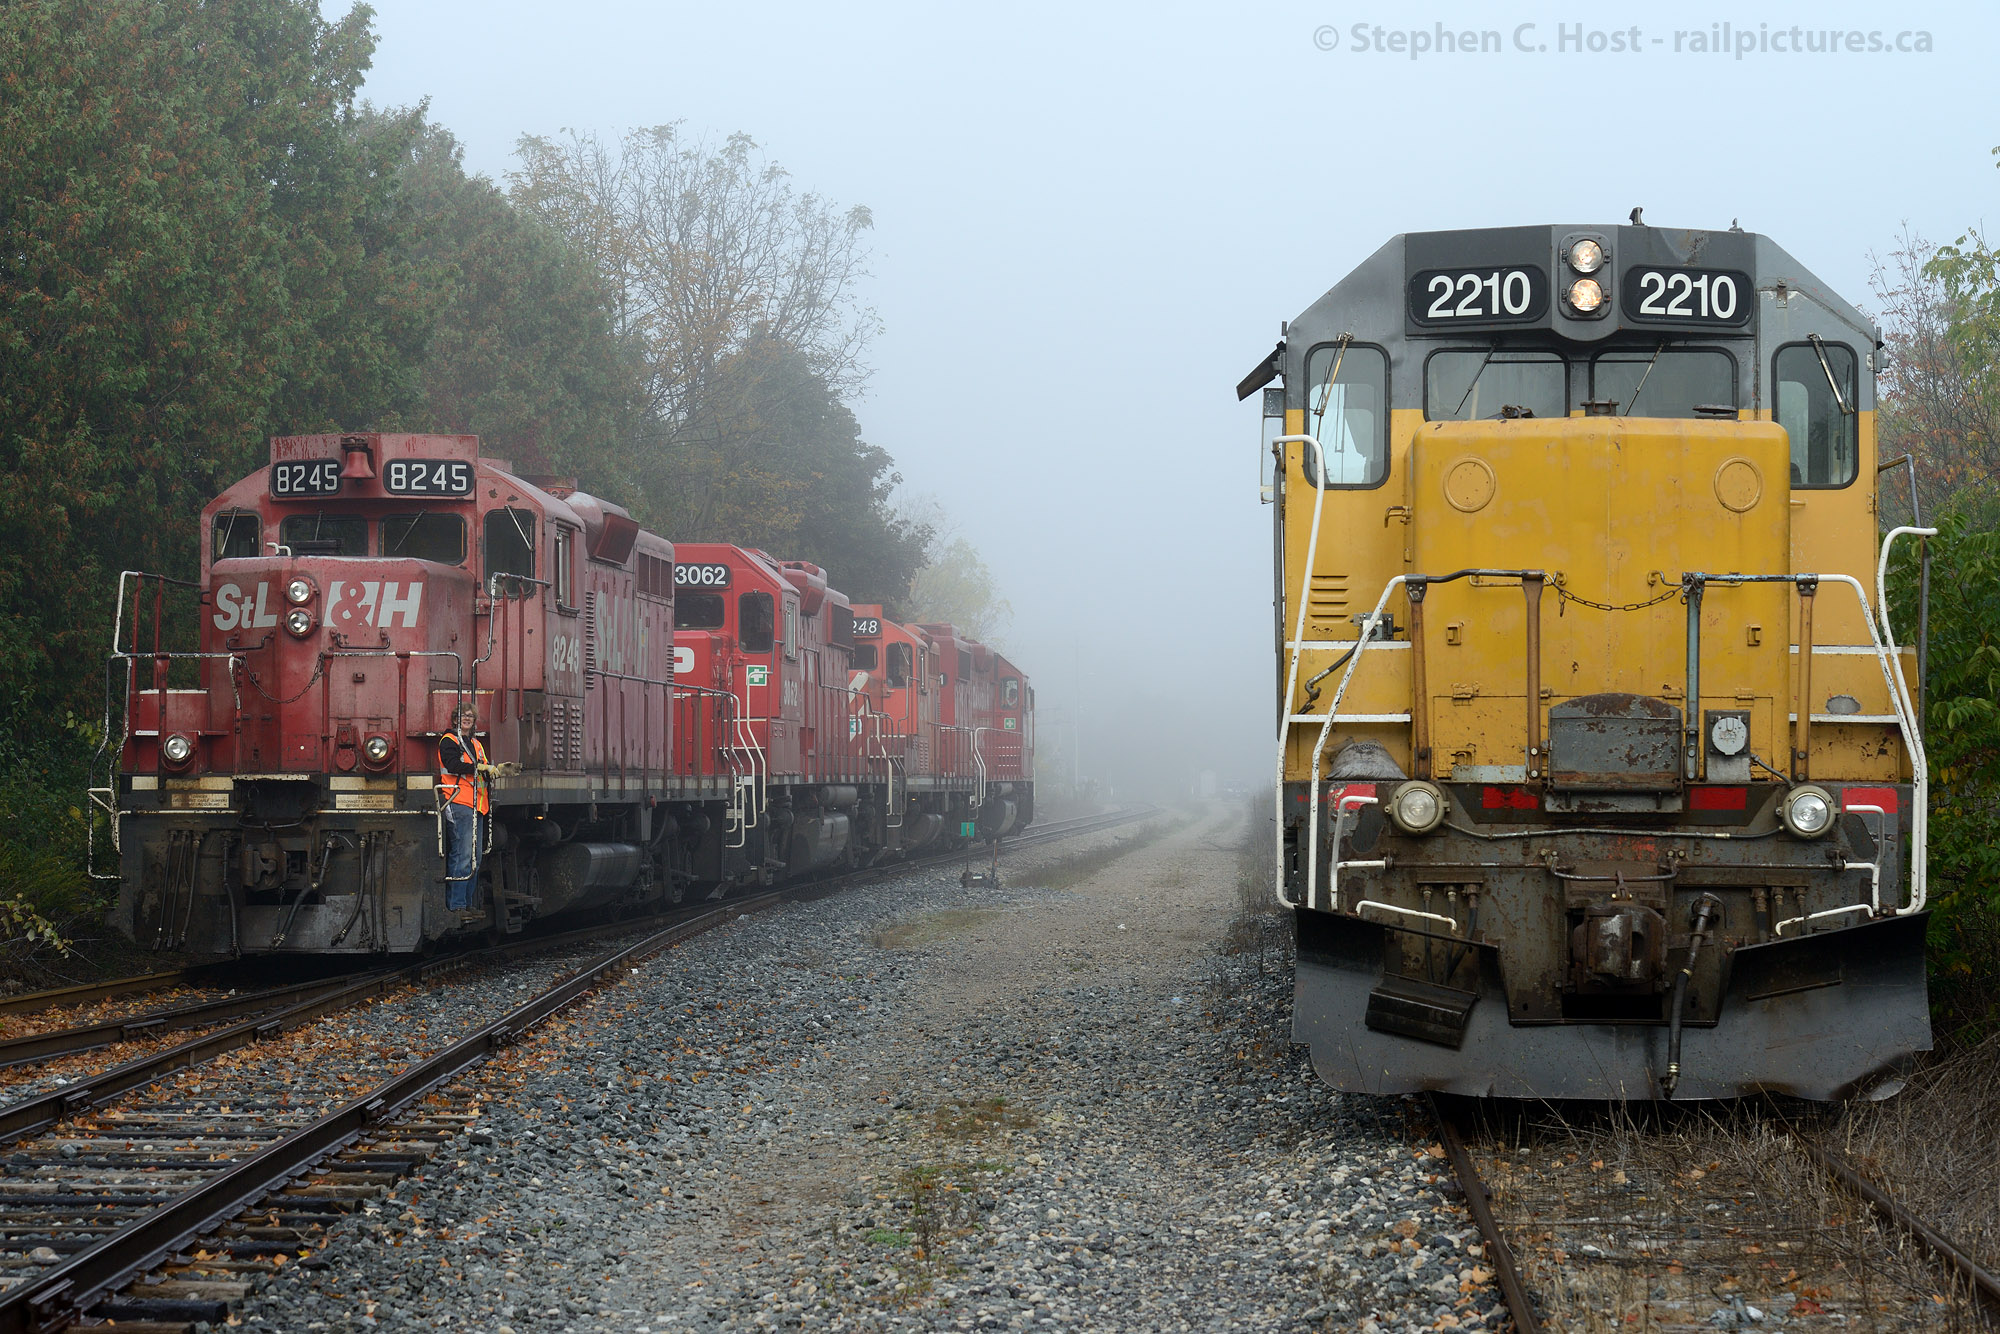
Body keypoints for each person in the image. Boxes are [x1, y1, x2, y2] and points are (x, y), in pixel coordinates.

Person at [438, 701, 495, 917]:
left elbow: (484, 769)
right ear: (455, 719)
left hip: (478, 806)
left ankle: (467, 904)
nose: (467, 718)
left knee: (475, 858)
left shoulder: (477, 745)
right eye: (463, 715)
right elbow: (452, 765)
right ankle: (457, 906)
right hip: (458, 801)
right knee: (462, 855)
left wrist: (495, 770)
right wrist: (478, 767)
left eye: (470, 716)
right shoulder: (449, 741)